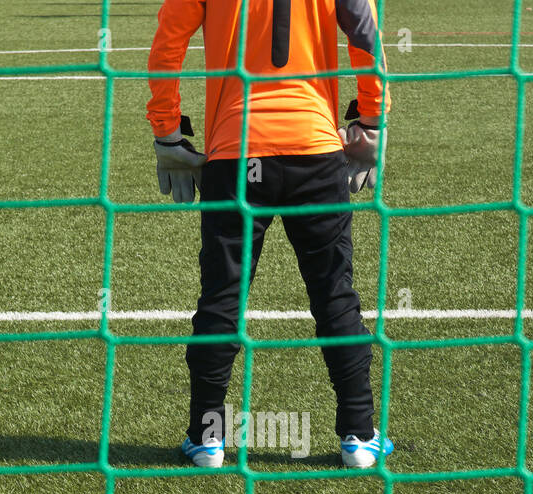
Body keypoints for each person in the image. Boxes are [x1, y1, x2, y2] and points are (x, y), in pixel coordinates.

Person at [146, 0, 394, 468]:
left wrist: (167, 132)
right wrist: (370, 118)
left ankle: (207, 439)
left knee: (222, 295)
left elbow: (167, 45)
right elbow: (364, 32)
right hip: (316, 152)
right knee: (334, 294)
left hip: (237, 154)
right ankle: (359, 437)